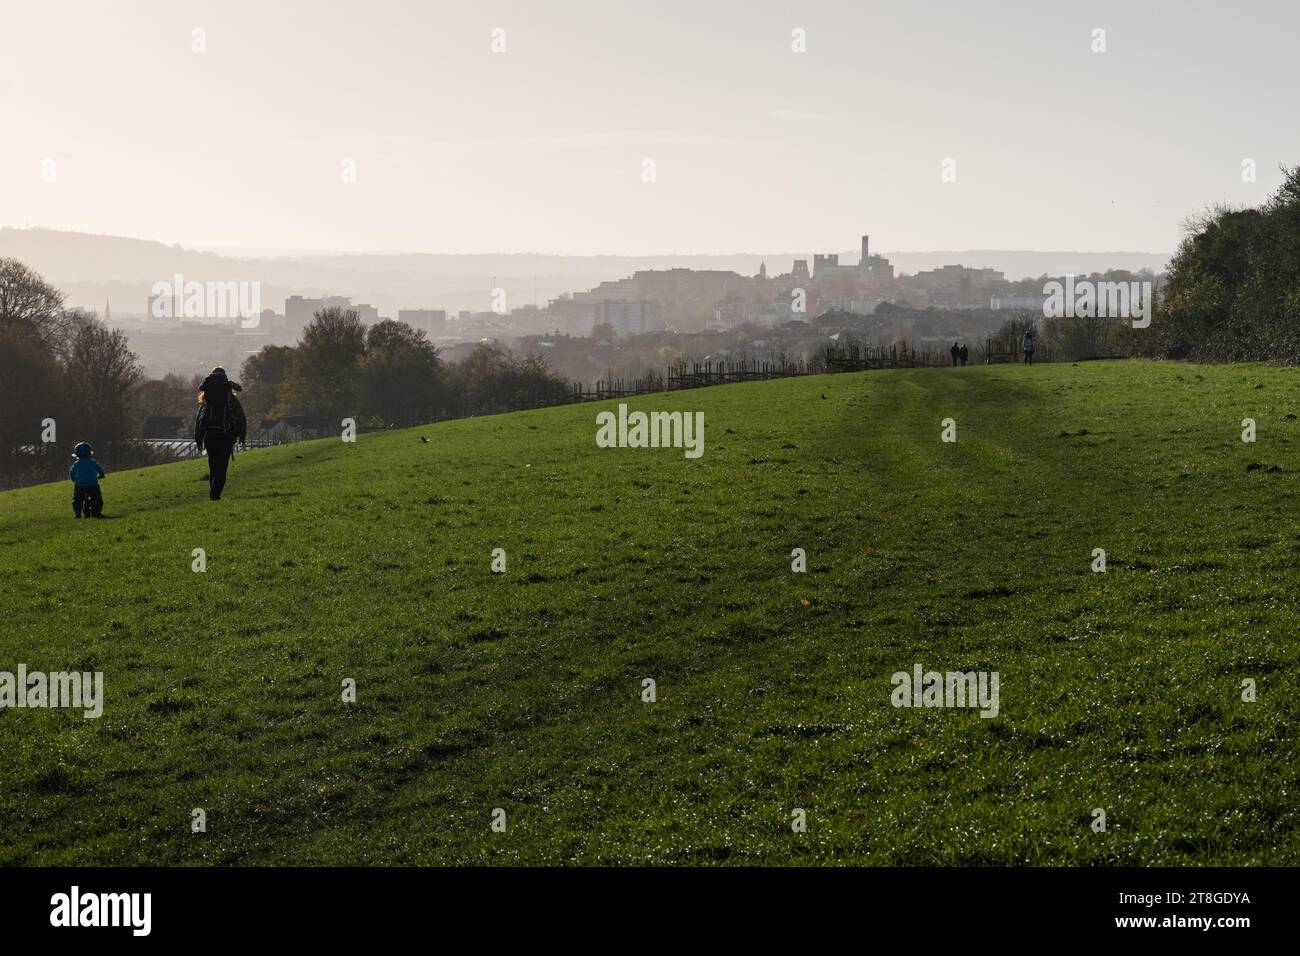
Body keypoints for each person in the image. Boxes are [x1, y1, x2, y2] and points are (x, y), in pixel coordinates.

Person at [195, 368, 247, 500]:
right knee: (222, 467)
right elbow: (241, 417)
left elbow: (199, 420)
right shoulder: (230, 400)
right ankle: (215, 495)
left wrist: (199, 439)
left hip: (210, 437)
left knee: (213, 465)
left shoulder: (207, 402)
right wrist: (242, 435)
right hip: (226, 436)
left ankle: (213, 492)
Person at [69, 441, 105, 518]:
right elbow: (100, 469)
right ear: (89, 452)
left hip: (80, 485)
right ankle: (97, 512)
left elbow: (71, 472)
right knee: (97, 498)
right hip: (93, 484)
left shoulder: (77, 463)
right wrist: (101, 475)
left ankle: (77, 513)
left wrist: (73, 479)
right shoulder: (93, 462)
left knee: (78, 500)